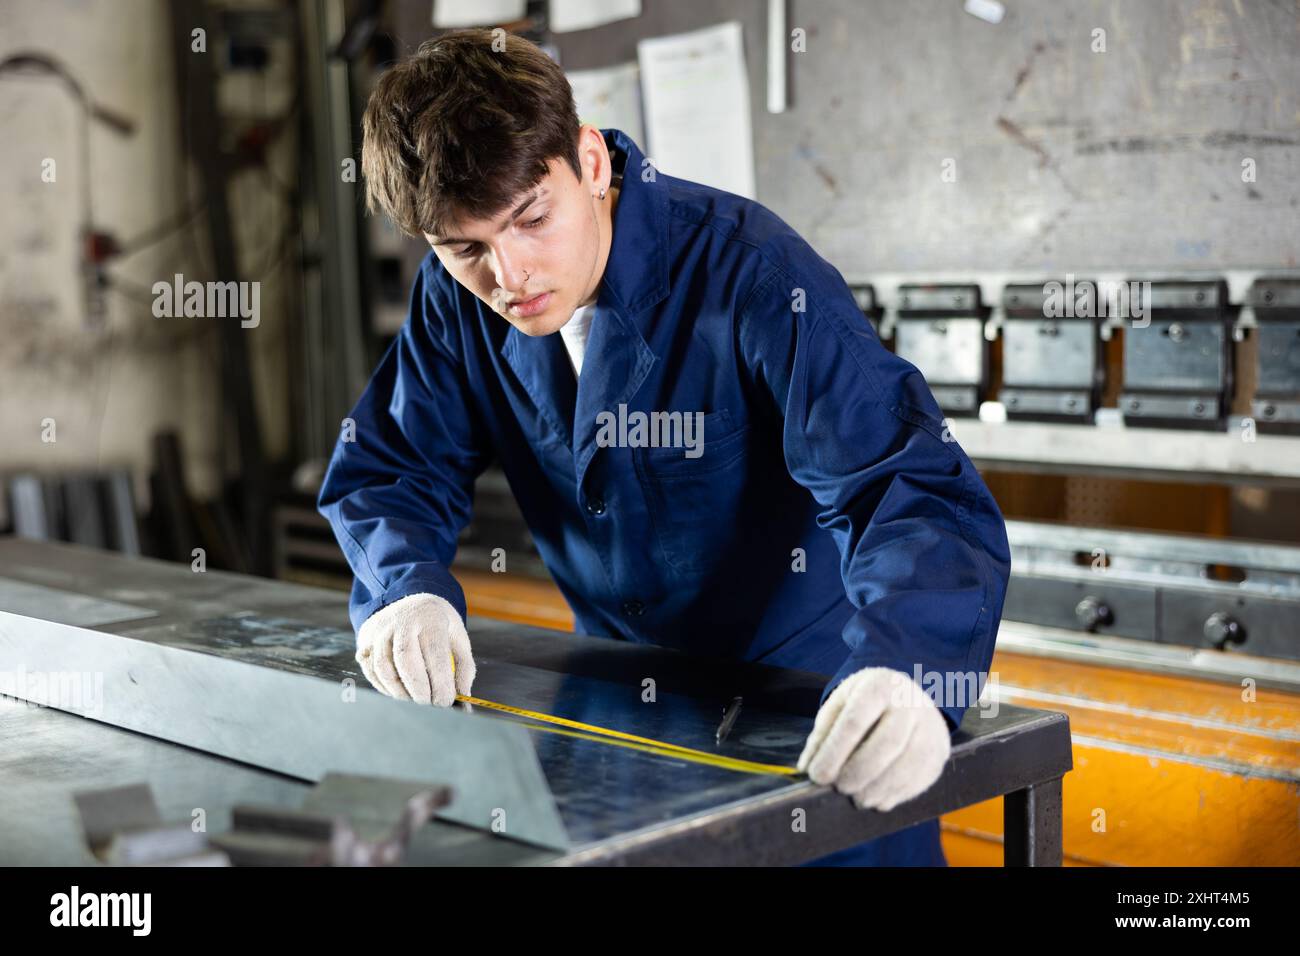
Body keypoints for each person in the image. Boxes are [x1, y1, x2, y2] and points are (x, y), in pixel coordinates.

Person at [318, 29, 1011, 866]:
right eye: (466, 249)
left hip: (820, 721)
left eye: (531, 219)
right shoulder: (454, 300)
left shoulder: (753, 276)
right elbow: (395, 465)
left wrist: (906, 666)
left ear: (591, 163)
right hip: (619, 727)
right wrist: (403, 588)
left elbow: (909, 489)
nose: (509, 277)